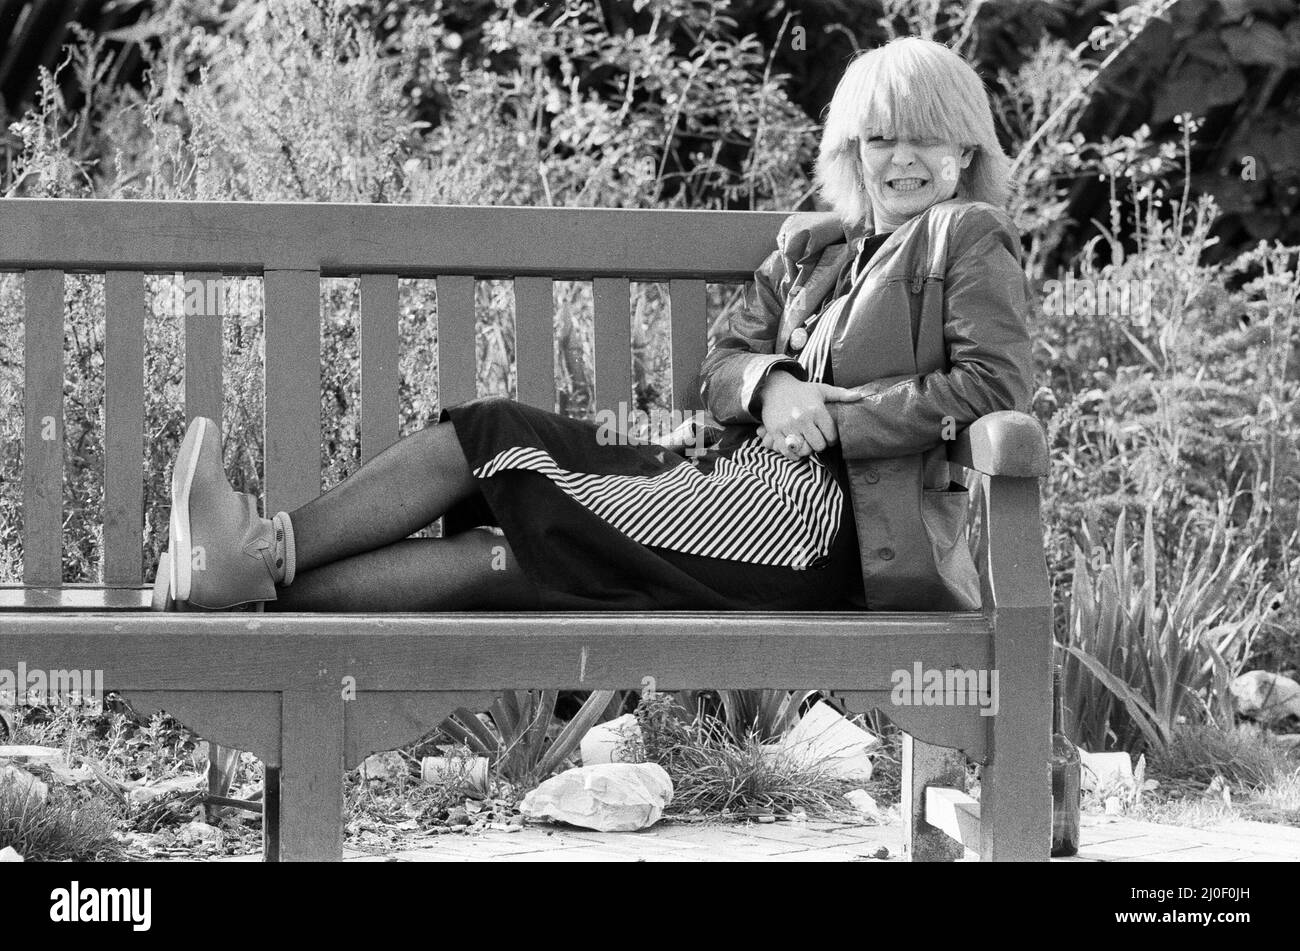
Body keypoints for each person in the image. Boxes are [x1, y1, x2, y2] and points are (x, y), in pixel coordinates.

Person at [153, 36, 1032, 615]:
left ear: (966, 154)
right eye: (882, 139)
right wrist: (772, 387)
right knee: (502, 494)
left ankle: (249, 566)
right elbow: (725, 358)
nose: (903, 158)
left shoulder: (966, 235)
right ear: (853, 151)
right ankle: (254, 568)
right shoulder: (818, 250)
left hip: (821, 523)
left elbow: (993, 388)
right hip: (725, 480)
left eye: (928, 140)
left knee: (518, 494)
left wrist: (838, 418)